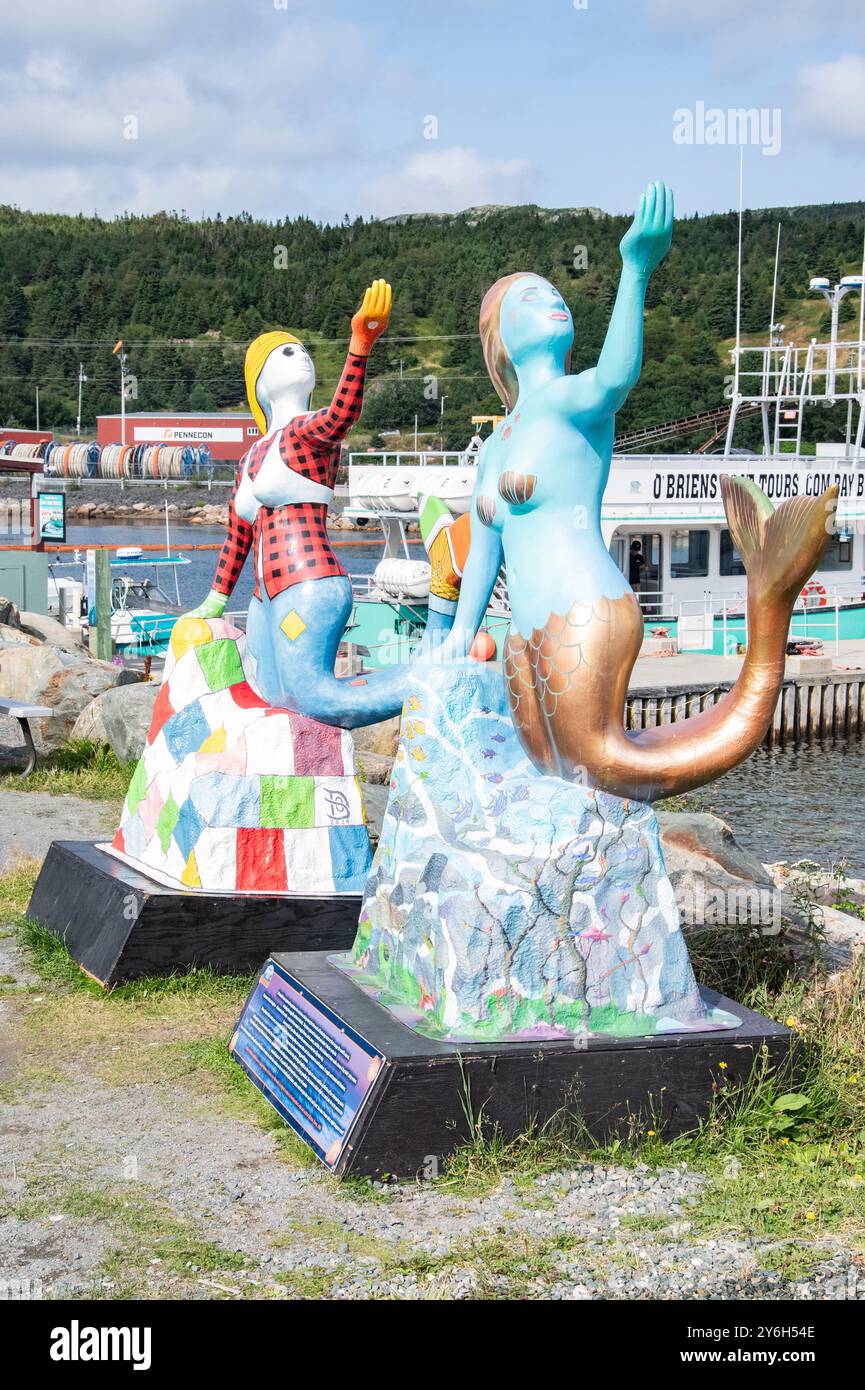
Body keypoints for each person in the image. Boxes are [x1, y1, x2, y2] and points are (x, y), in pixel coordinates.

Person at [432, 180, 837, 800]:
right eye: (535, 297)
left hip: (583, 612)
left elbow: (619, 373)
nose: (555, 301)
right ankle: (559, 882)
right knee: (553, 773)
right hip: (522, 631)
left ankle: (768, 611)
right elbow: (485, 552)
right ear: (501, 337)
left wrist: (635, 269)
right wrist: (461, 632)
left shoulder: (575, 403)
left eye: (558, 293)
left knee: (599, 765)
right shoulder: (495, 444)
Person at [188, 281, 460, 727]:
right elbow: (237, 540)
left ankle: (435, 660)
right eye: (287, 352)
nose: (304, 355)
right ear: (259, 378)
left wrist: (360, 346)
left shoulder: (309, 433)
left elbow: (342, 413)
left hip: (308, 587)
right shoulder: (249, 458)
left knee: (315, 699)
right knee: (274, 703)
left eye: (303, 349)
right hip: (262, 601)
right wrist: (214, 602)